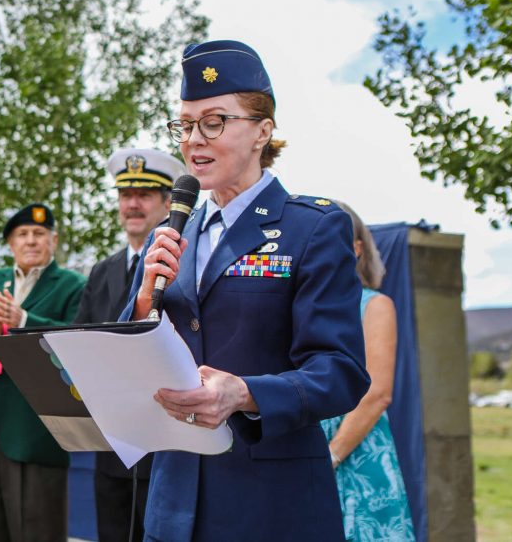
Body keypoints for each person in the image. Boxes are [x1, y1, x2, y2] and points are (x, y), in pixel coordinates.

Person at [121, 39, 370, 541]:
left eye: (214, 122)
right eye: (185, 124)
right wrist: (145, 298)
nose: (194, 139)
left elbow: (341, 371)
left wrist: (246, 392)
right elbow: (131, 351)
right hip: (173, 499)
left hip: (270, 502)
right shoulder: (171, 233)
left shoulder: (313, 229)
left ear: (263, 131)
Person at [0, 203, 86, 542]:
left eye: (39, 234)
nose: (31, 241)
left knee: (37, 531)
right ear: (11, 244)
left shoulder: (73, 285)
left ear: (54, 240)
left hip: (36, 430)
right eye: (22, 234)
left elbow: (80, 340)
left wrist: (24, 322)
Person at [76, 148, 184, 542]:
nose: (133, 204)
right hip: (113, 441)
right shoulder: (101, 271)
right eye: (126, 195)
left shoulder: (184, 263)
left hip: (167, 440)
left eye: (144, 195)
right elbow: (81, 339)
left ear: (167, 203)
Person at [322, 201, 415, 541]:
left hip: (355, 451)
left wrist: (330, 456)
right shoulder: (299, 304)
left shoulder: (374, 305)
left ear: (357, 248)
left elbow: (377, 393)